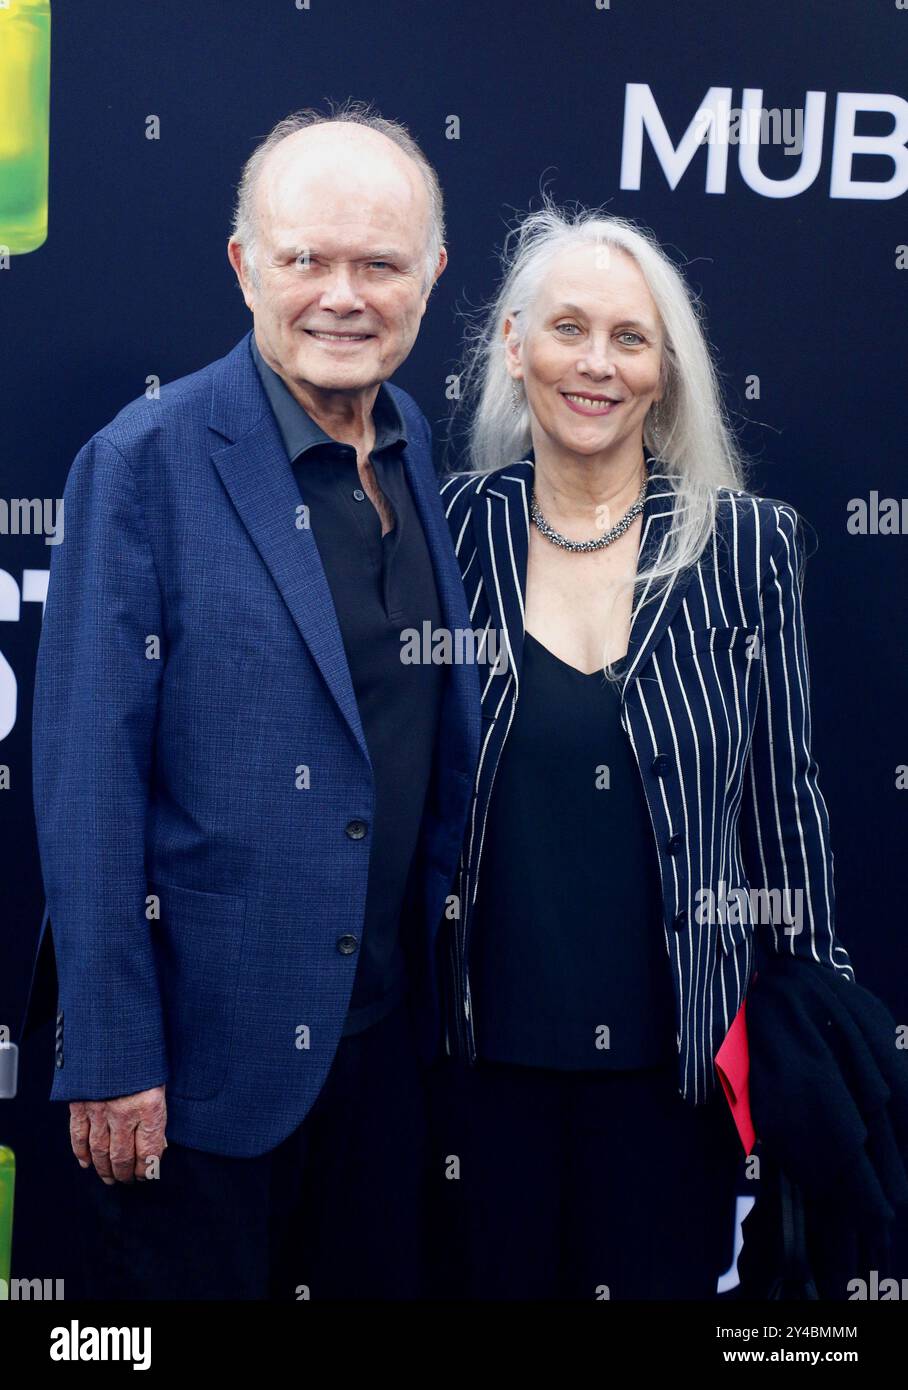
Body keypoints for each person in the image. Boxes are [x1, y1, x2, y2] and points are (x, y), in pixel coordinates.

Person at [25, 100, 481, 1300]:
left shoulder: (414, 440)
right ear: (244, 267)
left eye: (378, 263)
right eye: (304, 260)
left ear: (430, 275)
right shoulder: (144, 464)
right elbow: (86, 786)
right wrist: (113, 1052)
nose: (342, 294)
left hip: (380, 1042)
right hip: (199, 1066)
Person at [430, 202, 855, 1300]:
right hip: (474, 1079)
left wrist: (811, 1019)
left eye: (629, 339)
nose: (595, 364)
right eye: (568, 329)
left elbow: (781, 812)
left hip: (674, 1086)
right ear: (513, 345)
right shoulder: (441, 533)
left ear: (665, 372)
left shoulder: (744, 547)